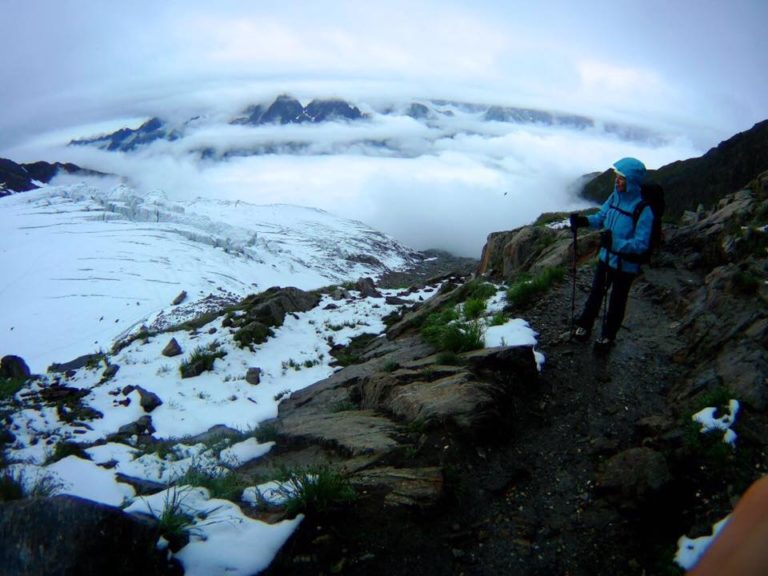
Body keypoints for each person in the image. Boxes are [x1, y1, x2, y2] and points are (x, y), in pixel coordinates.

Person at [569, 157, 653, 350]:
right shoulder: (614, 196)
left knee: (616, 301)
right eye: (617, 177)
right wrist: (583, 222)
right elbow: (601, 218)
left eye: (622, 178)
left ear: (632, 181)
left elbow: (641, 245)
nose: (617, 181)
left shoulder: (643, 210)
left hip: (626, 265)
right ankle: (584, 325)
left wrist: (616, 243)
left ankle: (608, 337)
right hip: (606, 258)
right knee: (596, 293)